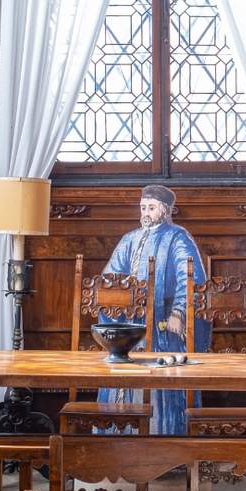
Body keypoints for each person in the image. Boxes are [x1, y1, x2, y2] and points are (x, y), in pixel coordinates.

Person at [98, 184, 211, 434]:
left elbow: (190, 278)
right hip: (131, 326)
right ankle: (116, 445)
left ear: (166, 210)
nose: (146, 212)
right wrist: (113, 299)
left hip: (163, 330)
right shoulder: (129, 239)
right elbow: (110, 278)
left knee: (163, 386)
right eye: (143, 207)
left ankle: (166, 444)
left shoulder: (178, 236)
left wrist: (178, 312)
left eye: (151, 207)